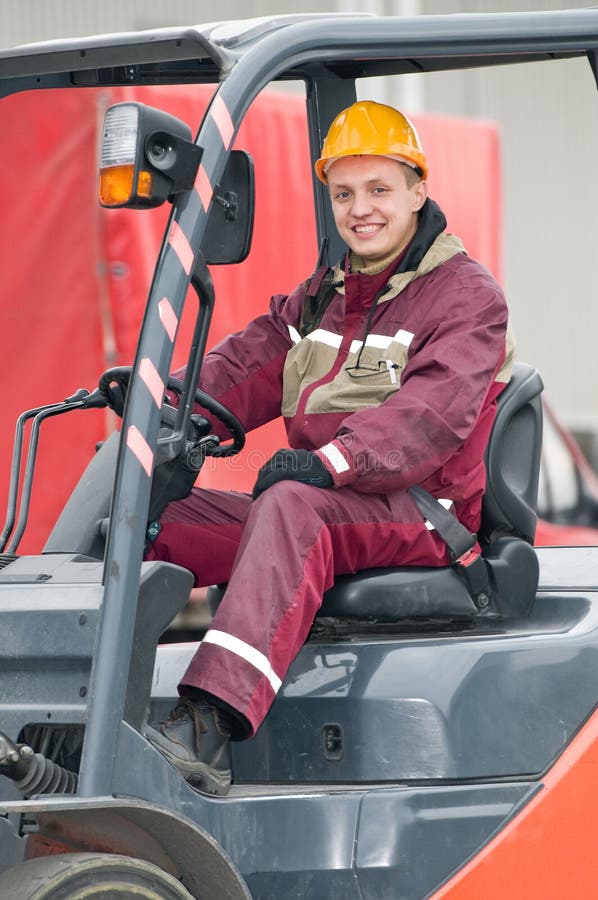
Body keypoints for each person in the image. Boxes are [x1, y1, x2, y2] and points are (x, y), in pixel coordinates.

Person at [145, 100, 514, 795]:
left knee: (288, 504)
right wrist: (166, 406)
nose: (360, 209)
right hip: (325, 500)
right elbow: (249, 364)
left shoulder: (465, 297)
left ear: (417, 190)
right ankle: (86, 698)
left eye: (378, 189)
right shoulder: (325, 293)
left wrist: (329, 462)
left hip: (417, 511)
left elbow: (428, 419)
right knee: (150, 511)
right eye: (344, 193)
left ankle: (205, 726)